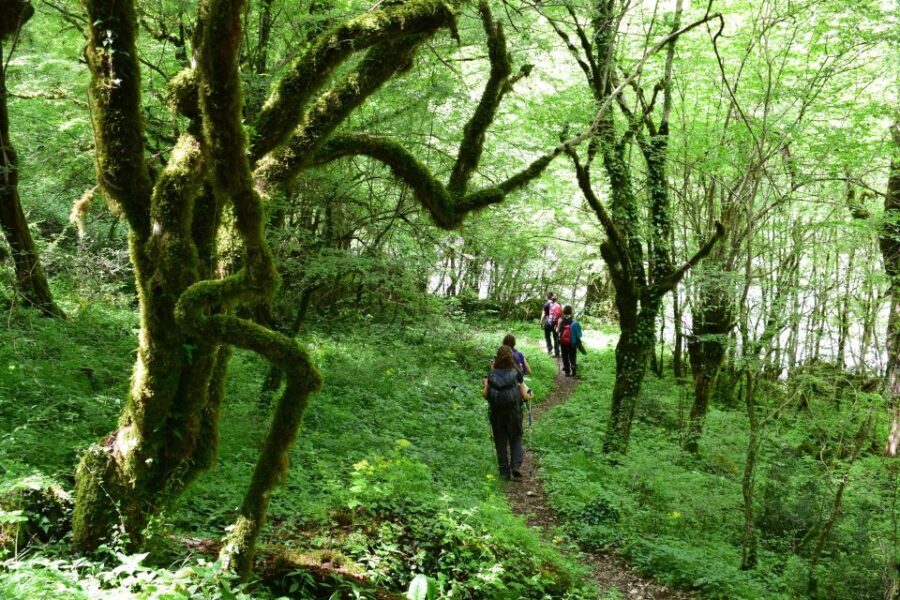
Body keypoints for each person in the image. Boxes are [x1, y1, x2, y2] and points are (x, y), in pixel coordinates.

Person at [483, 345, 533, 480]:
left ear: (497, 357)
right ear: (511, 357)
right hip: (514, 412)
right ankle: (515, 466)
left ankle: (504, 472)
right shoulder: (516, 372)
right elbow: (524, 395)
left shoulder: (491, 374)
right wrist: (530, 395)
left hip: (497, 413)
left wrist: (485, 384)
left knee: (500, 441)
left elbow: (486, 395)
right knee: (515, 437)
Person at [556, 305, 583, 377]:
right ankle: (573, 367)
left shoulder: (560, 320)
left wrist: (556, 329)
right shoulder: (574, 320)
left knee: (565, 355)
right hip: (572, 341)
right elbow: (578, 333)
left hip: (563, 341)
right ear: (571, 311)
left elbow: (558, 331)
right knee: (572, 355)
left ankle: (567, 372)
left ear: (563, 311)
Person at [540, 292, 562, 357]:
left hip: (547, 323)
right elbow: (561, 315)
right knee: (556, 337)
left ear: (547, 297)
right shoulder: (558, 304)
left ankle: (550, 350)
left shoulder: (546, 304)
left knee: (547, 336)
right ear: (552, 296)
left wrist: (541, 322)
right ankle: (557, 352)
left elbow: (543, 314)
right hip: (556, 323)